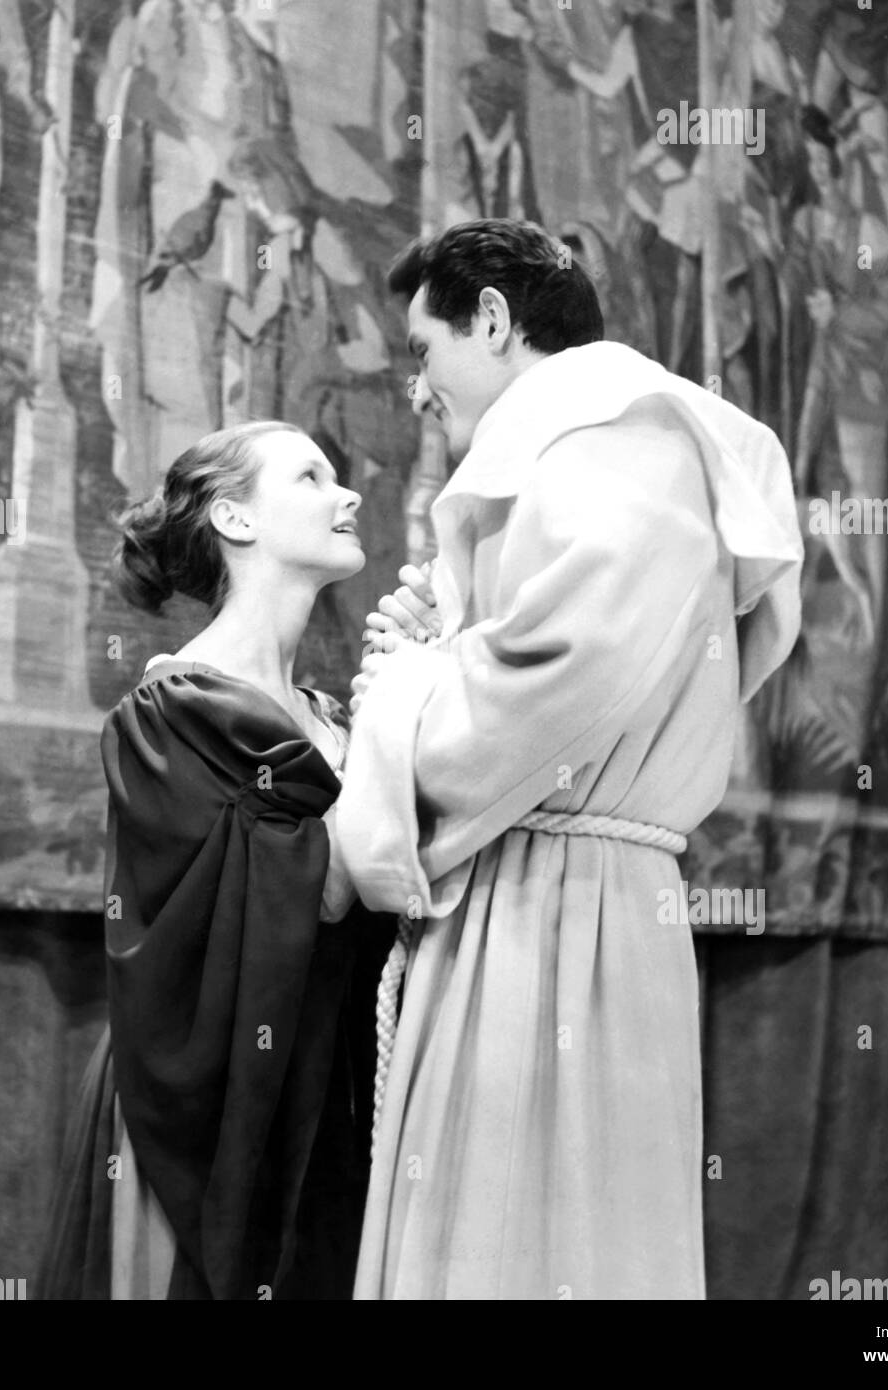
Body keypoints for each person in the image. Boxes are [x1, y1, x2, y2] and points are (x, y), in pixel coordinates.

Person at [337, 219, 804, 1299]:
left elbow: (554, 680)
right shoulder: (586, 445)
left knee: (528, 1240)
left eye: (422, 351)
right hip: (546, 897)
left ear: (492, 320)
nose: (415, 388)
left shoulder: (614, 435)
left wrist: (402, 686)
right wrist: (439, 645)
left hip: (553, 914)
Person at [36, 420, 391, 1300]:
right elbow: (322, 890)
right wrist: (404, 706)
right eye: (311, 478)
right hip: (193, 1112)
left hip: (312, 1100)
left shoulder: (332, 715)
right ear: (235, 521)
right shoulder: (174, 713)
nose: (346, 496)